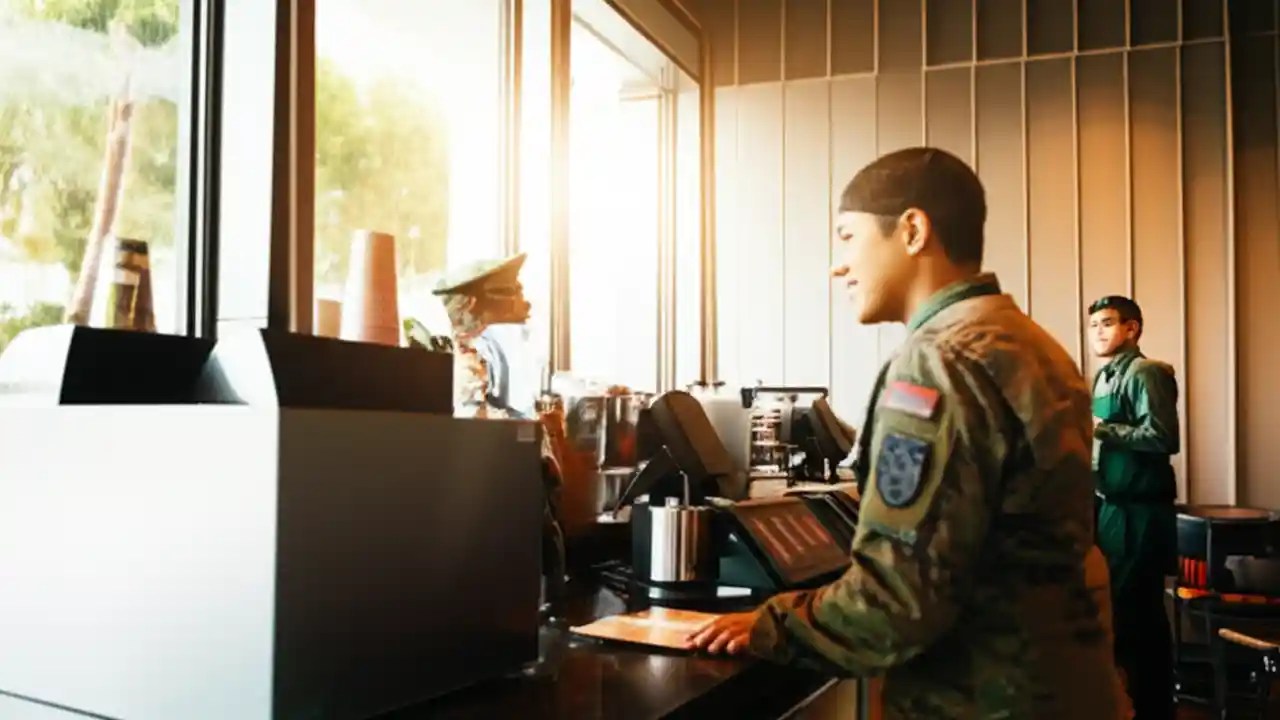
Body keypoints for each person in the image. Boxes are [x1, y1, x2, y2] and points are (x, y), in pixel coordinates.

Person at [686, 147, 1130, 719]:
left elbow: (896, 601)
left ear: (913, 230)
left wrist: (768, 625)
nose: (837, 264)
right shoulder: (1030, 344)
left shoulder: (939, 364)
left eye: (847, 237)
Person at [1088, 294, 1179, 720]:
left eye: (1108, 323)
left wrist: (1102, 429)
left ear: (1132, 328)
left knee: (1139, 620)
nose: (1099, 333)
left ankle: (1153, 709)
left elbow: (1163, 438)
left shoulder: (1146, 373)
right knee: (1121, 618)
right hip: (1109, 509)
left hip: (1141, 513)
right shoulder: (1103, 377)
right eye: (1094, 326)